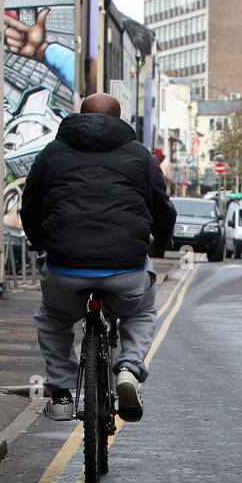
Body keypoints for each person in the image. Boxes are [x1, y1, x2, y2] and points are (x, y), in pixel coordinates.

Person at [21, 93, 176, 423]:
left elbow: (30, 204)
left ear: (80, 115)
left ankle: (62, 394)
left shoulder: (52, 154)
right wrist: (162, 242)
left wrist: (40, 243)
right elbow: (162, 206)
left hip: (65, 266)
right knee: (141, 311)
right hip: (125, 267)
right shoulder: (140, 157)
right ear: (120, 120)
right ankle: (129, 368)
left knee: (53, 318)